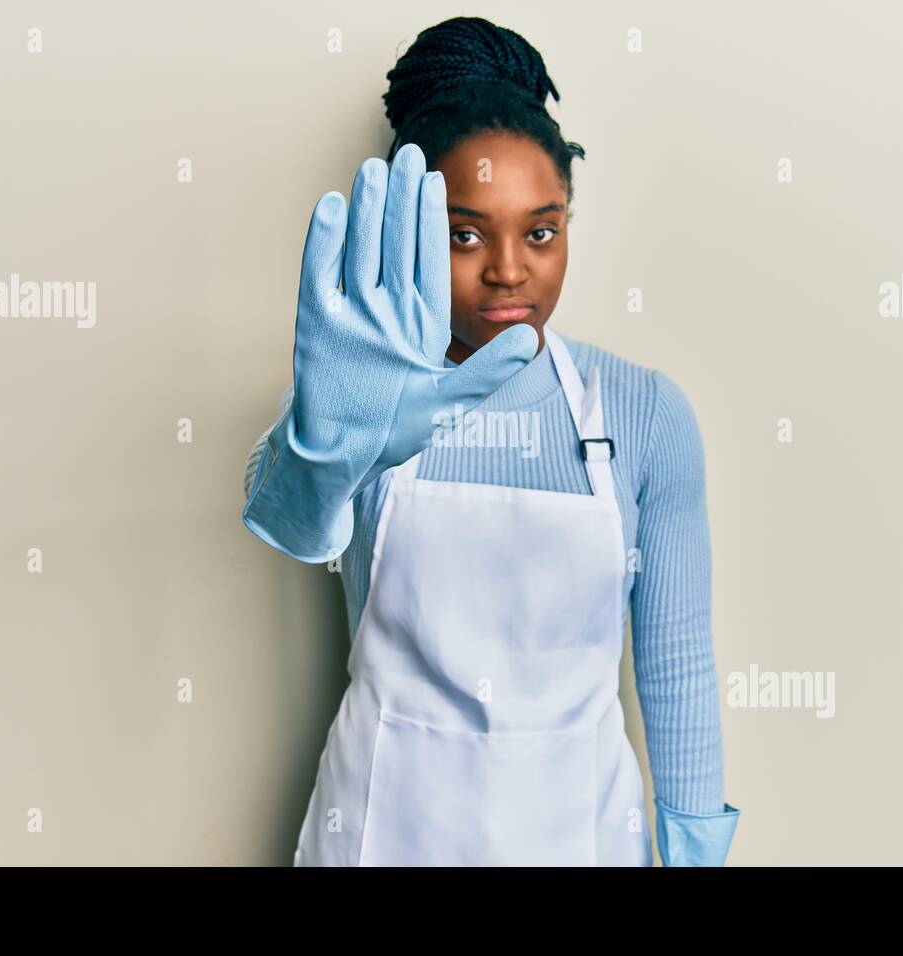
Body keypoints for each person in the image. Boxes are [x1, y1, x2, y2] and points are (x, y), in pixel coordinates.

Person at [243, 15, 740, 866]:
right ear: (410, 233)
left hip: (580, 839)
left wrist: (694, 855)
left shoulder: (645, 414)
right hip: (380, 830)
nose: (509, 270)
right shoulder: (363, 396)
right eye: (464, 234)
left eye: (540, 231)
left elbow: (679, 667)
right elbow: (285, 522)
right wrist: (331, 442)